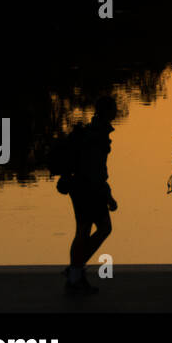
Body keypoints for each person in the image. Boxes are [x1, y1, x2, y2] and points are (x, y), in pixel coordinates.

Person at [63, 95, 118, 295]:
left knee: (83, 231)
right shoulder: (98, 134)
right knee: (102, 228)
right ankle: (75, 272)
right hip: (89, 189)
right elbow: (96, 170)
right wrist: (108, 195)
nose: (116, 112)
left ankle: (75, 273)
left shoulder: (92, 131)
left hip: (80, 187)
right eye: (114, 109)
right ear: (108, 112)